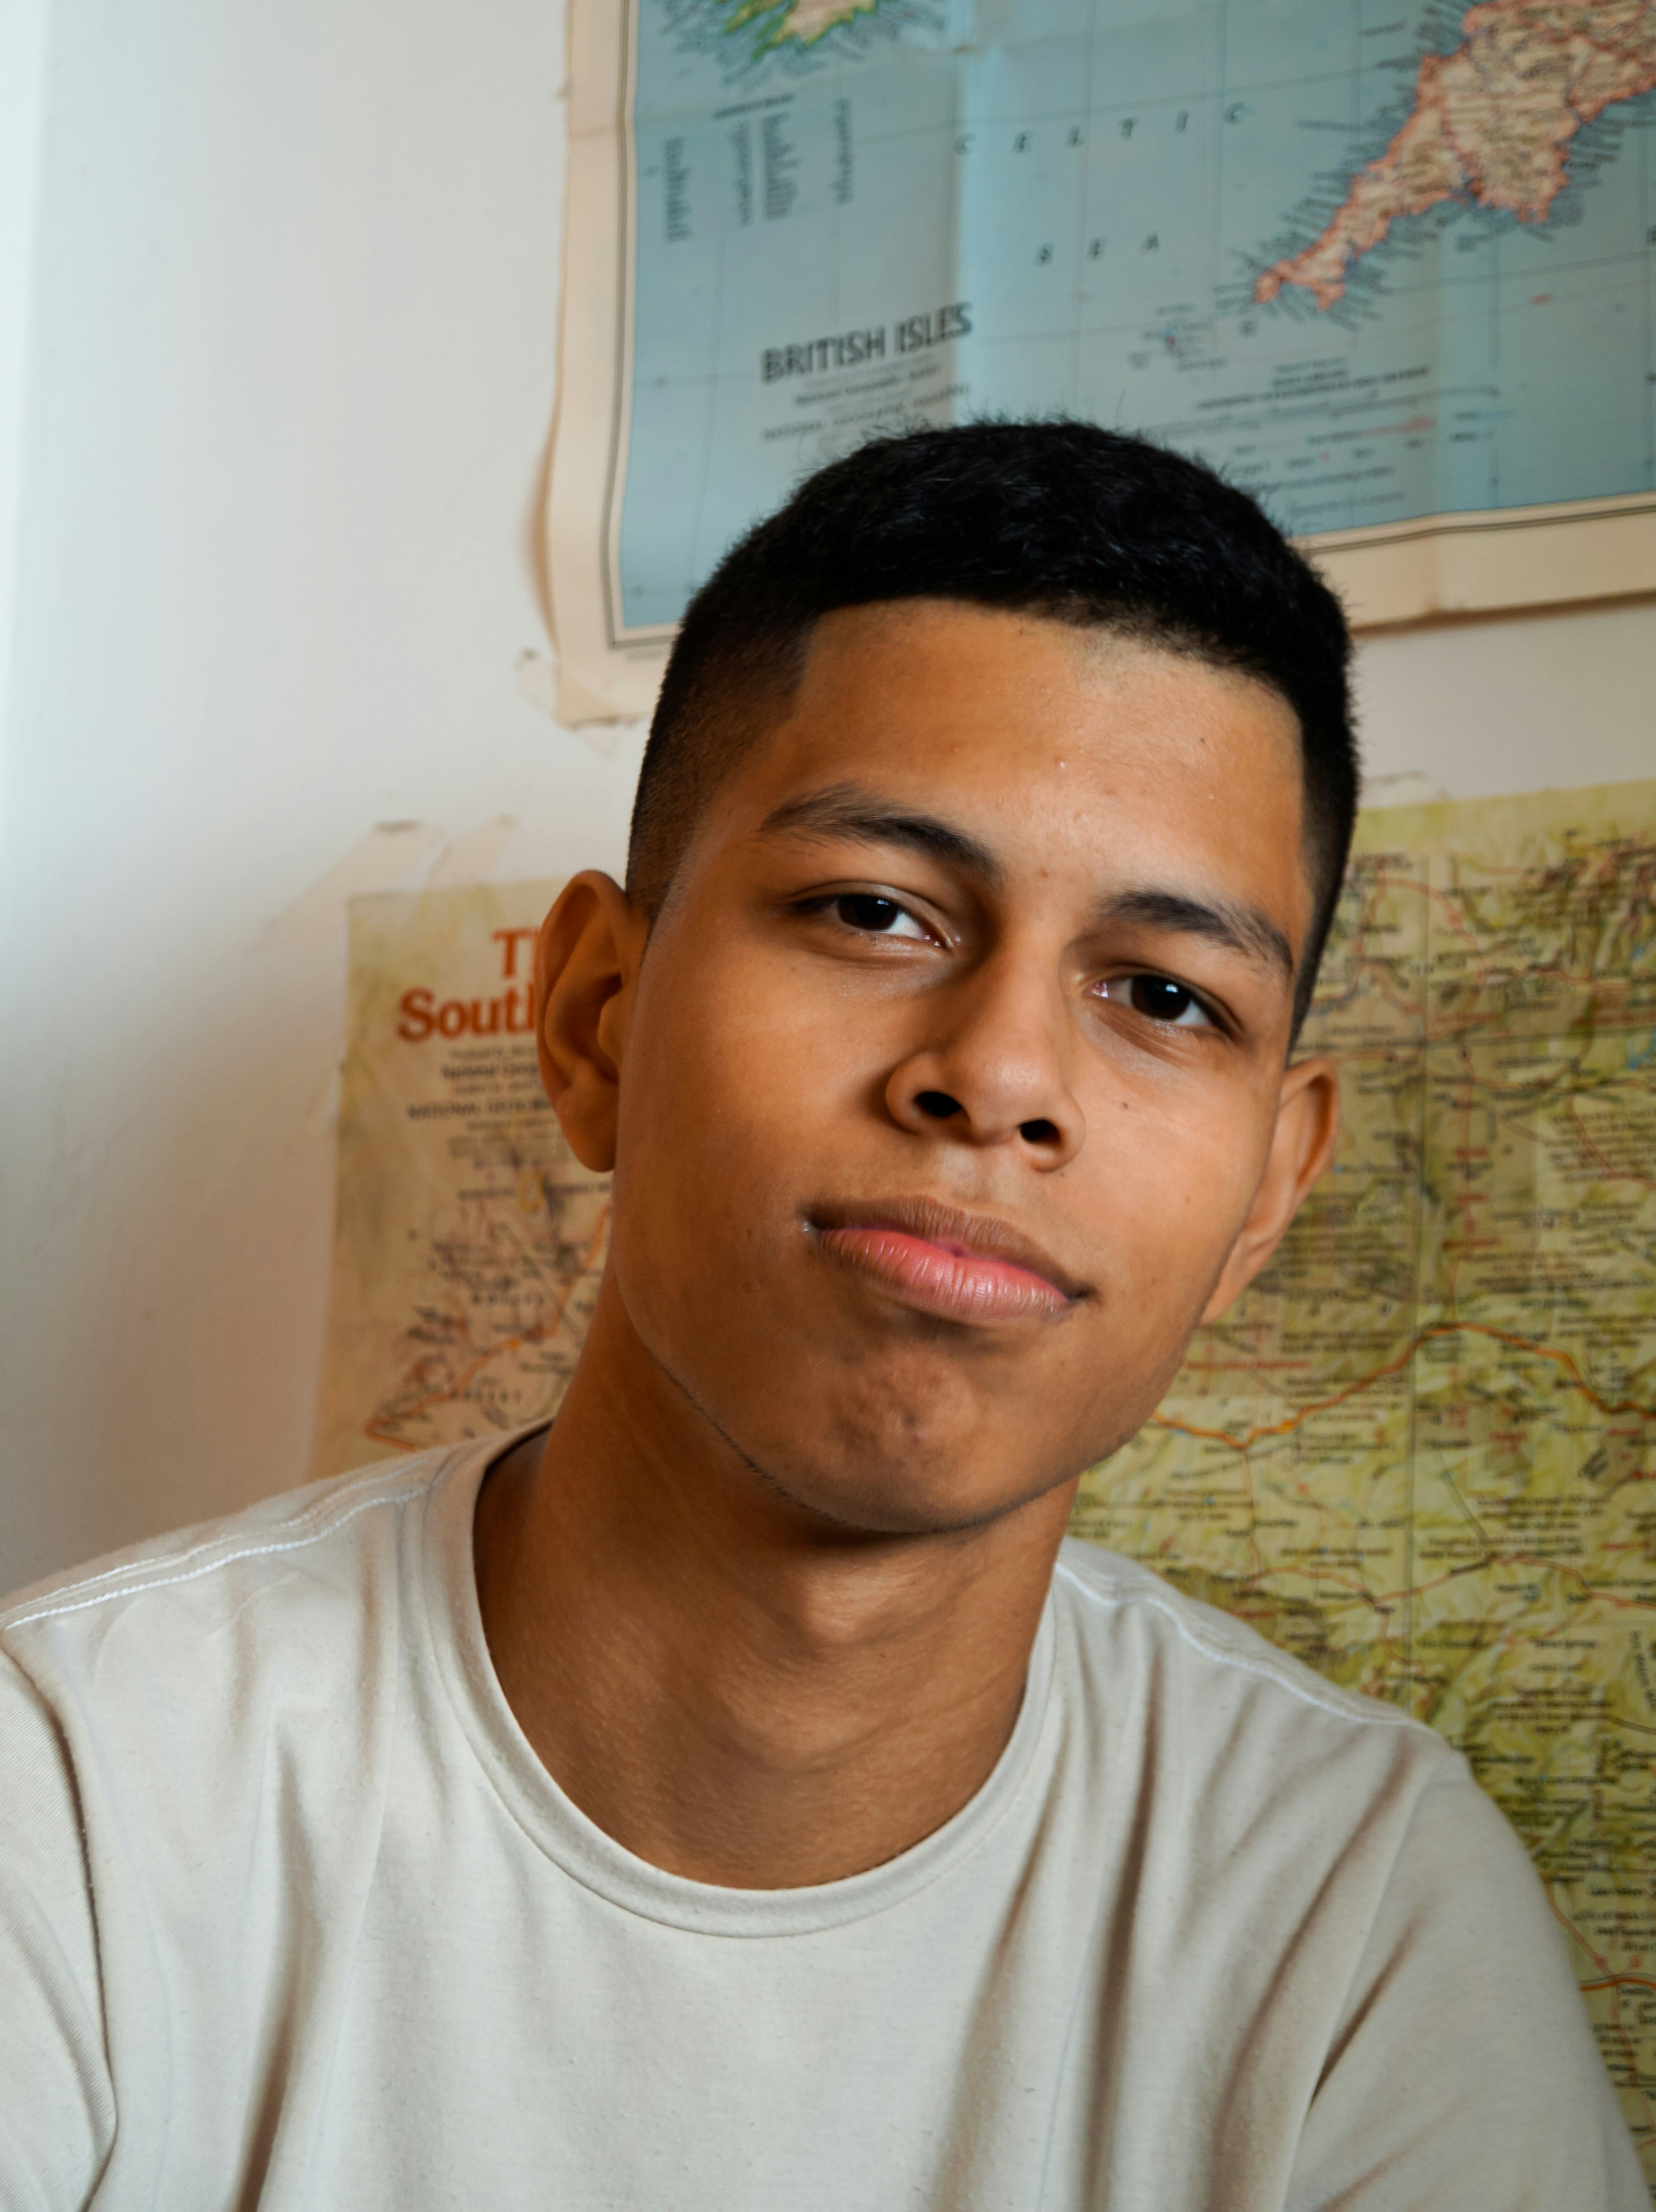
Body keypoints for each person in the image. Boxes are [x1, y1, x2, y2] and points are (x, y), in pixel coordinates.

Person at [0, 421, 1643, 2212]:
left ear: (1264, 1190)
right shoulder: (79, 1794)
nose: (1002, 1073)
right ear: (594, 1024)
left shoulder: (1356, 1919)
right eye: (872, 909)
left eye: (1160, 993)